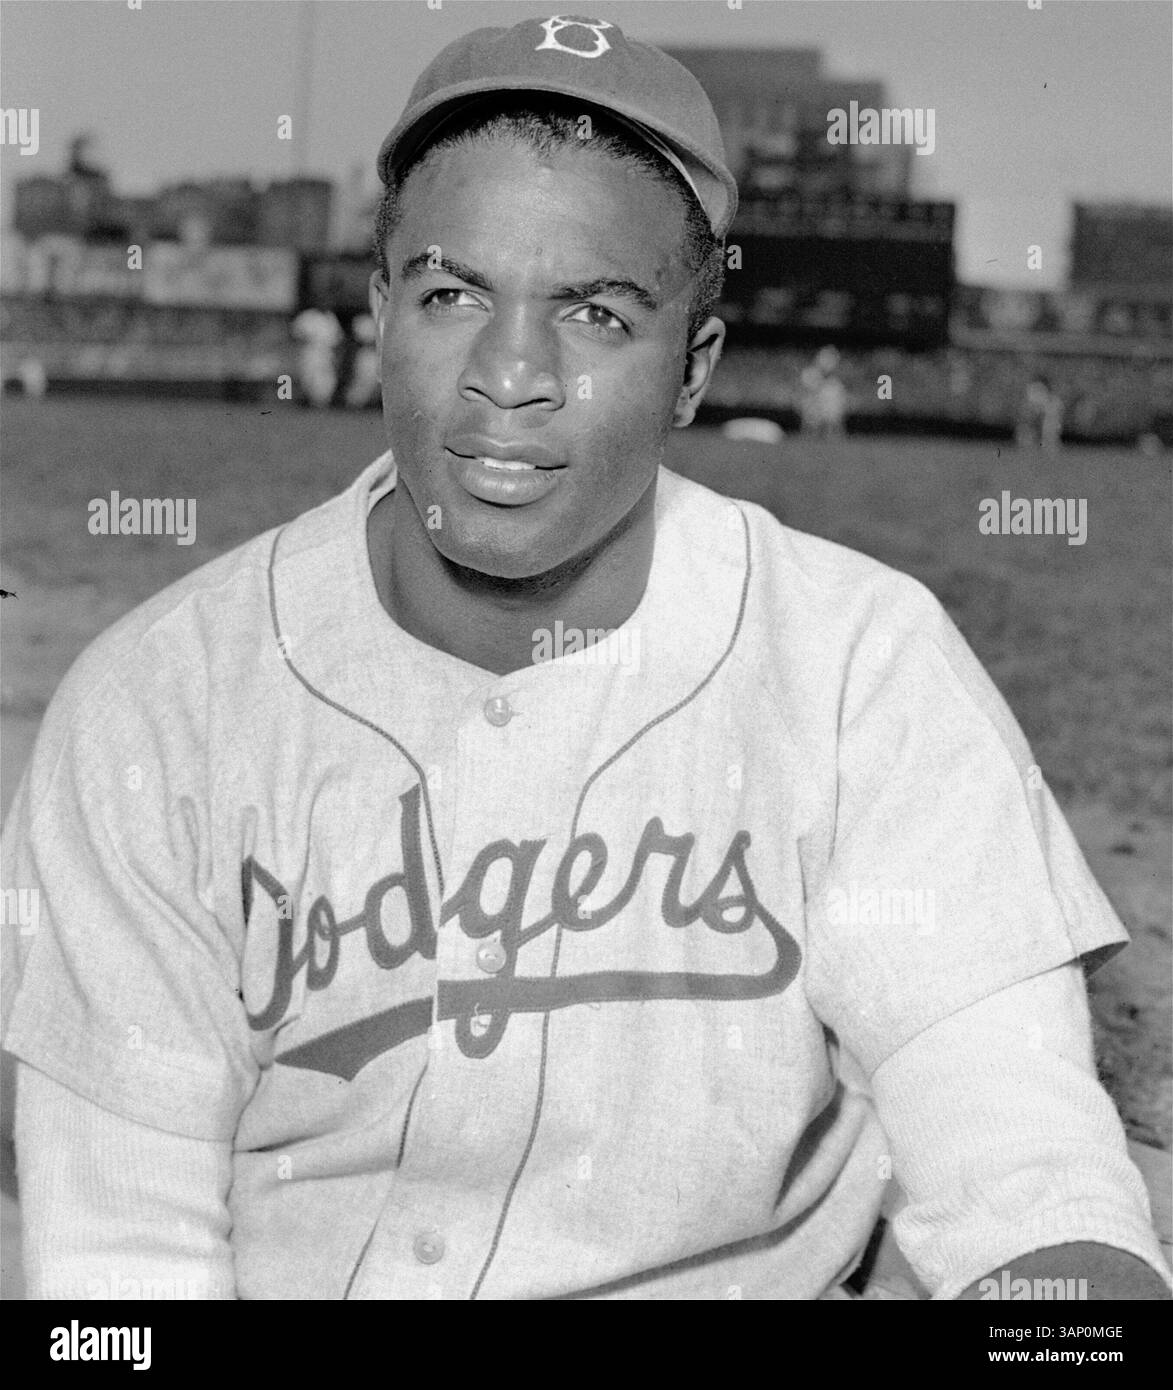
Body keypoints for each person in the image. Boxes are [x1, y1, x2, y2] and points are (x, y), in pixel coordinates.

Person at [2, 14, 1169, 1302]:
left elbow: (1026, 1176)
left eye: (598, 315)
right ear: (377, 312)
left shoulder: (859, 669)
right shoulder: (159, 708)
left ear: (693, 369)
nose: (511, 376)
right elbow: (118, 1270)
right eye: (452, 295)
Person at [800, 343, 847, 436]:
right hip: (813, 409)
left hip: (830, 413)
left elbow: (839, 400)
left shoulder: (836, 380)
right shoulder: (809, 374)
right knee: (812, 431)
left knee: (832, 430)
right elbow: (807, 393)